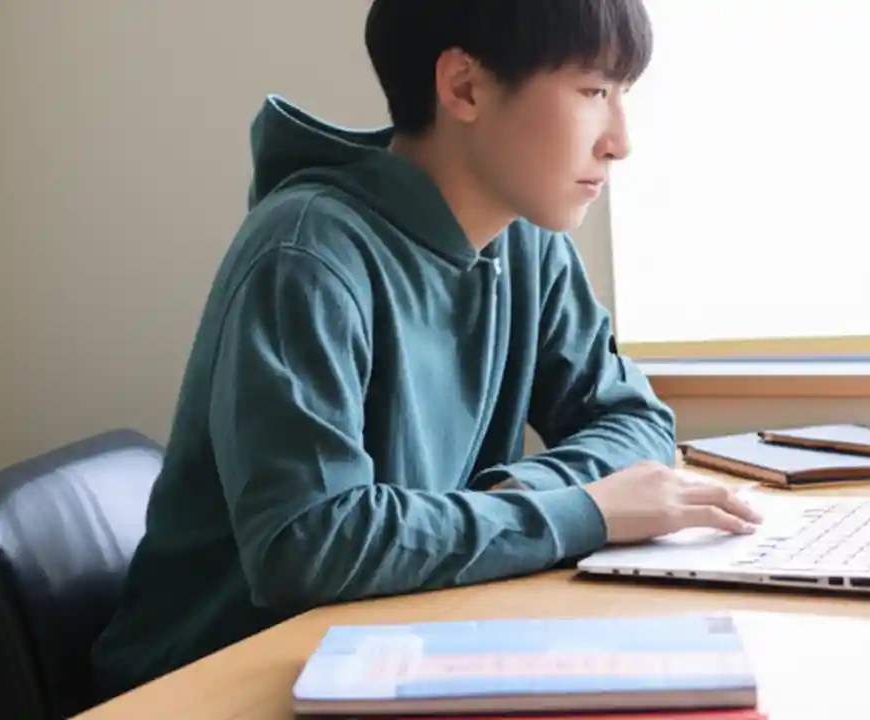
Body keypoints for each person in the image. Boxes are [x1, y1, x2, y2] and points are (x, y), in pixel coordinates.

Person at [91, 0, 762, 699]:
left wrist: (520, 497)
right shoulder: (306, 256)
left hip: (395, 654)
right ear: (465, 87)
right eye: (593, 92)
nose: (620, 140)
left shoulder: (527, 243)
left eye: (623, 95)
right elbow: (310, 545)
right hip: (214, 684)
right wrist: (584, 512)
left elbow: (636, 421)